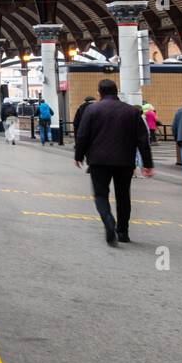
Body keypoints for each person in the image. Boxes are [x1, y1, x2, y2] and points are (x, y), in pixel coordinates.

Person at [74, 79, 153, 245]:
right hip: (125, 161)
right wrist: (147, 164)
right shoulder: (131, 111)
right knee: (123, 196)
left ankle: (109, 221)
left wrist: (79, 155)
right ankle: (123, 232)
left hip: (99, 161)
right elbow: (143, 140)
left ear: (99, 92)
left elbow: (82, 134)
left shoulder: (92, 110)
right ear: (116, 91)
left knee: (101, 195)